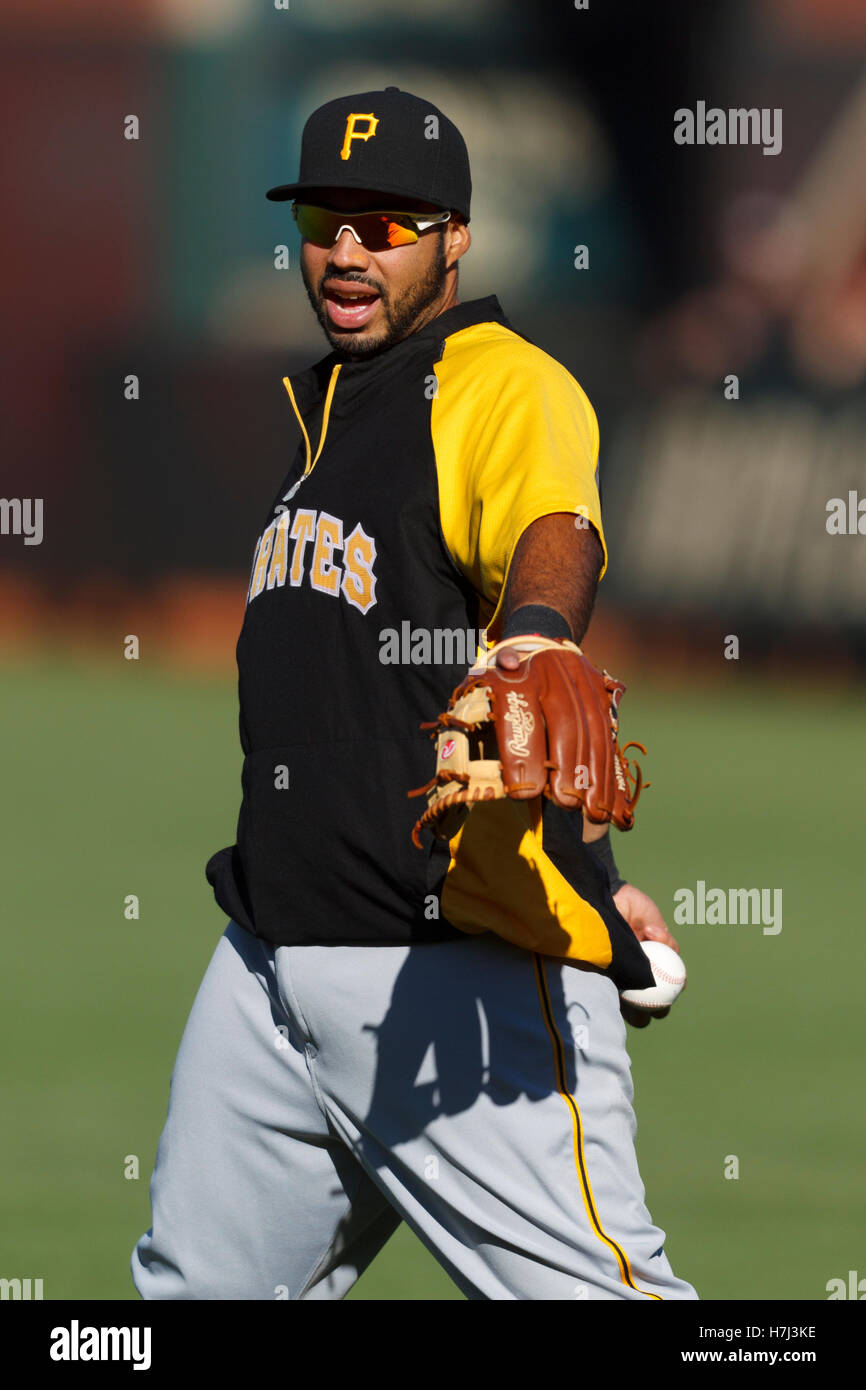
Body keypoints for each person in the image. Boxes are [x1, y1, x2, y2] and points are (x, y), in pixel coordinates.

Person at [132, 87, 697, 1301]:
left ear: (453, 237)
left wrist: (533, 634)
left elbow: (553, 519)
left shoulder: (496, 380)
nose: (346, 251)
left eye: (384, 225)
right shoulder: (334, 406)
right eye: (325, 218)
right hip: (267, 968)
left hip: (447, 968)